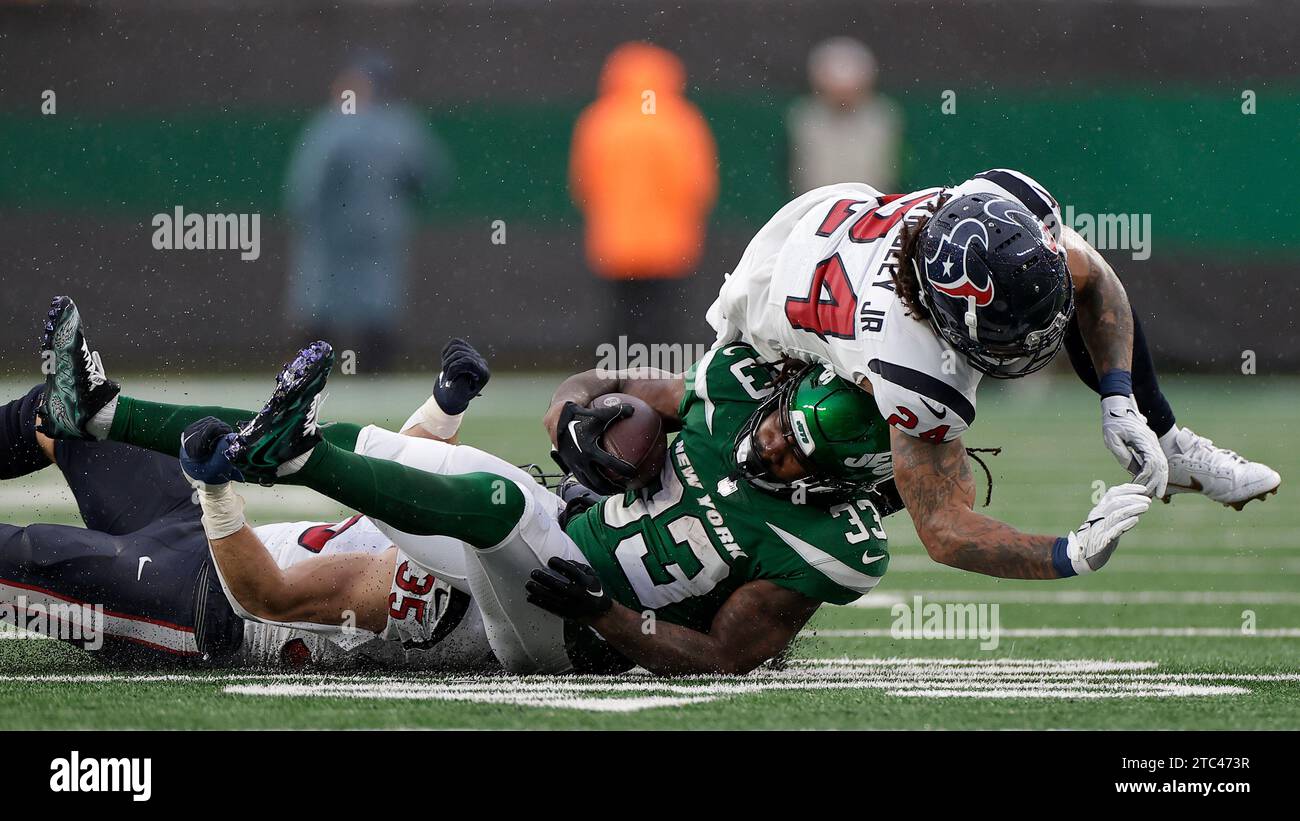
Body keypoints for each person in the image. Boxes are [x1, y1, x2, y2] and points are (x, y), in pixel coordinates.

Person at [35, 293, 1153, 677]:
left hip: (576, 629)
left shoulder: (832, 548)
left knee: (489, 504)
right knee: (461, 474)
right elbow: (596, 385)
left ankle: (287, 450)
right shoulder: (729, 396)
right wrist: (579, 421)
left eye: (793, 457)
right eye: (774, 427)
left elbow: (722, 656)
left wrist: (609, 613)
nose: (768, 448)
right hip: (557, 527)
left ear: (850, 475)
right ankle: (110, 416)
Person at [705, 167, 1279, 579]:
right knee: (837, 429)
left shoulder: (998, 209)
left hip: (837, 219)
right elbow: (945, 528)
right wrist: (1070, 552)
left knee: (1064, 292)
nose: (1040, 341)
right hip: (768, 313)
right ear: (948, 326)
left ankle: (1171, 446)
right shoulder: (912, 368)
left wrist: (1121, 399)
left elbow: (1095, 279)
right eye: (1012, 334)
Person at [9, 299, 490, 669]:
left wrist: (214, 492)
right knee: (56, 420)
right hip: (203, 538)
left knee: (27, 554)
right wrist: (443, 413)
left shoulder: (432, 597)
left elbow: (267, 595)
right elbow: (405, 489)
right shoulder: (481, 556)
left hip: (205, 607)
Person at [284, 53, 452, 372]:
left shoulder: (332, 124)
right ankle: (374, 372)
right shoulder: (402, 126)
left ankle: (306, 375)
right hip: (380, 231)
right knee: (377, 303)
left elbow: (306, 186)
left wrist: (307, 217)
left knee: (319, 302)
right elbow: (429, 178)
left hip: (331, 233)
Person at [570, 42, 718, 345]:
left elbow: (583, 182)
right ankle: (658, 379)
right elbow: (698, 183)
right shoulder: (681, 121)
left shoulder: (600, 120)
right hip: (669, 241)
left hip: (615, 240)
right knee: (664, 318)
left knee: (621, 316)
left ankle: (616, 378)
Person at [787, 37, 903, 194]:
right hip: (816, 207)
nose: (843, 96)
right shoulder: (804, 118)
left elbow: (892, 172)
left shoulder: (883, 117)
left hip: (874, 208)